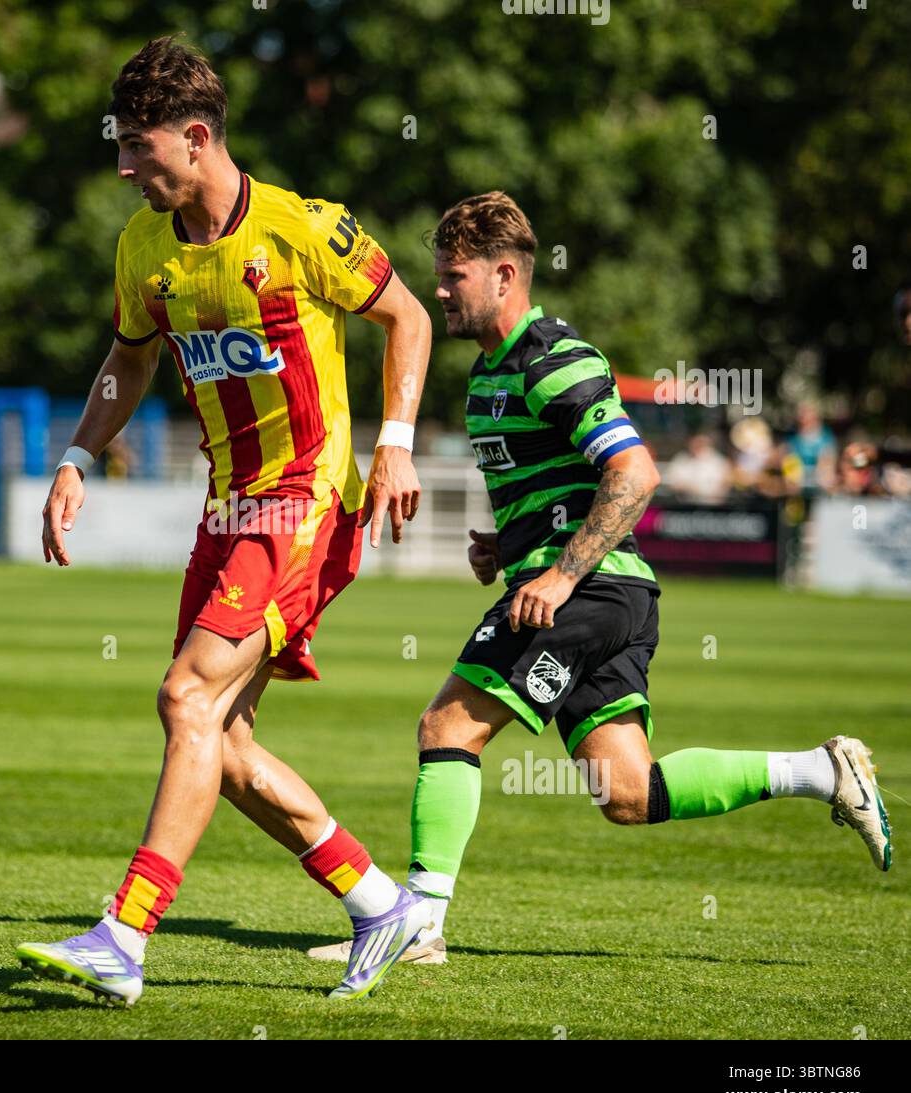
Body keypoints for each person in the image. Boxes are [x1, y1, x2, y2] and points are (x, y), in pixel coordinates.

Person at [307, 192, 889, 966]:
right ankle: (820, 770)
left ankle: (418, 923)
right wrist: (505, 547)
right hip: (599, 591)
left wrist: (557, 575)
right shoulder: (488, 376)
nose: (439, 290)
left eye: (453, 276)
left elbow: (635, 472)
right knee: (628, 793)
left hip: (591, 590)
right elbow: (557, 491)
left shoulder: (554, 359)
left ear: (505, 275)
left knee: (448, 727)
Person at [17, 36, 435, 1005]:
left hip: (304, 500)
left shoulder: (301, 229)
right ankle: (382, 904)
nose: (124, 168)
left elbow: (406, 318)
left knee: (183, 698)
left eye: (137, 149)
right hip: (227, 507)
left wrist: (398, 438)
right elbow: (128, 360)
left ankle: (124, 932)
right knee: (225, 744)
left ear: (196, 138)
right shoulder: (142, 248)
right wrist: (79, 457)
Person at [665, 432, 732, 505]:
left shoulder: (719, 461)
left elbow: (725, 484)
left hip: (712, 507)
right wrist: (690, 488)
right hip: (684, 506)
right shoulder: (681, 459)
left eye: (701, 443)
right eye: (695, 443)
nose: (697, 445)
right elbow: (671, 483)